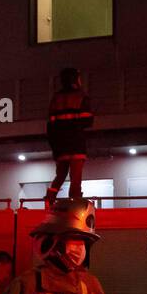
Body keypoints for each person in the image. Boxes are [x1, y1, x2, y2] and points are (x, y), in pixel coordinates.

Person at [44, 67, 95, 208]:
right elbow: (88, 121)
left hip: (60, 144)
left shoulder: (56, 99)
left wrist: (54, 147)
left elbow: (50, 125)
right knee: (75, 177)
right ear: (75, 79)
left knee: (60, 175)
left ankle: (49, 199)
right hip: (76, 143)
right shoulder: (81, 97)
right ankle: (75, 204)